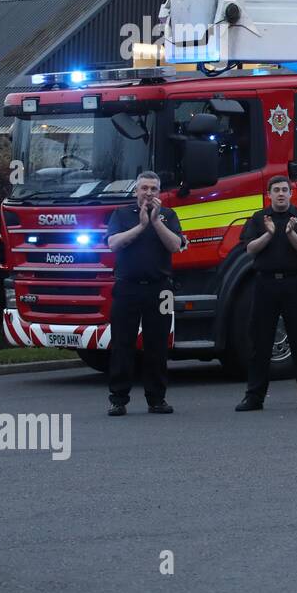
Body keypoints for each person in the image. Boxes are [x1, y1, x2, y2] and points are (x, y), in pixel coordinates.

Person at [235, 176, 297, 411]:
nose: (281, 194)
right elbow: (250, 249)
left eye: (285, 190)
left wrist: (290, 233)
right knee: (260, 342)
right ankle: (254, 397)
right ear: (269, 194)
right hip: (265, 283)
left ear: (291, 193)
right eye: (276, 190)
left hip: (294, 283)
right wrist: (268, 233)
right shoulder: (259, 218)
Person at [104, 171, 184, 416]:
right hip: (127, 287)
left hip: (160, 289)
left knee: (158, 345)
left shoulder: (169, 215)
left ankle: (157, 399)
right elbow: (113, 243)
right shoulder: (121, 214)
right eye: (144, 188)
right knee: (122, 343)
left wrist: (156, 222)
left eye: (153, 189)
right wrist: (141, 226)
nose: (149, 193)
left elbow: (175, 245)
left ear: (159, 193)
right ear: (136, 191)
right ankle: (118, 399)